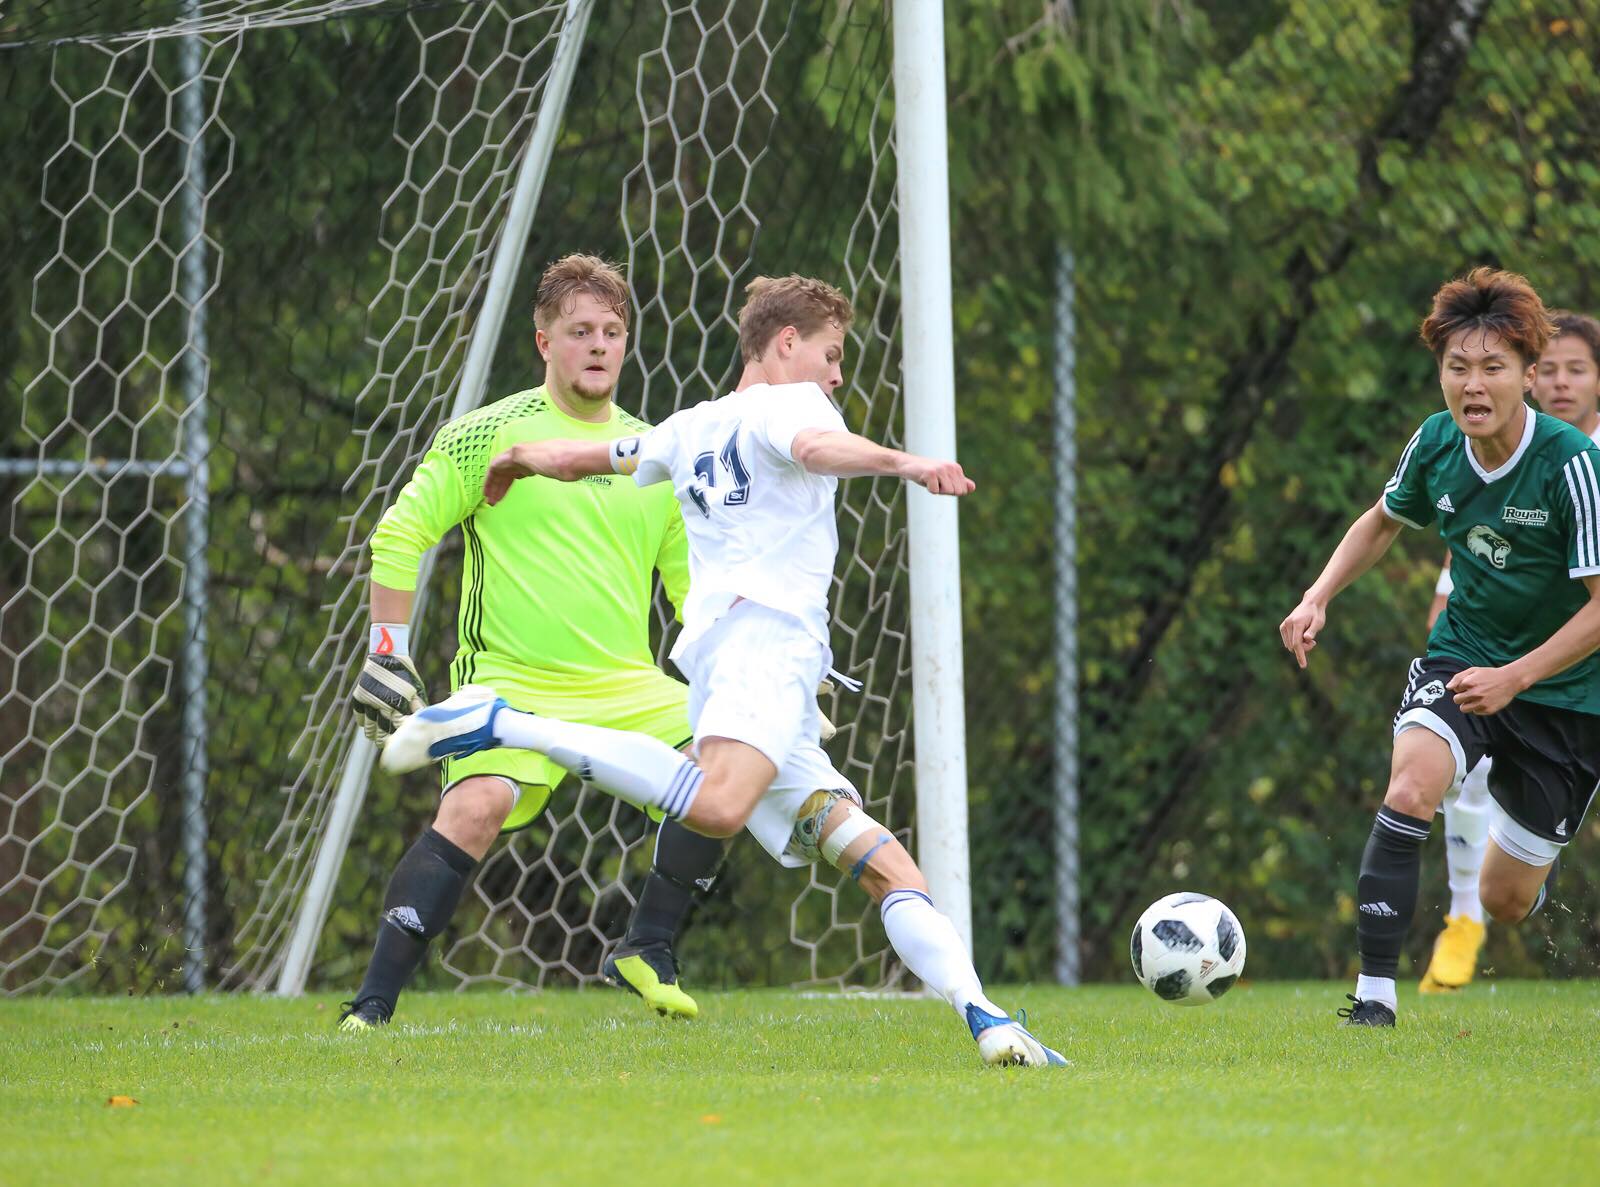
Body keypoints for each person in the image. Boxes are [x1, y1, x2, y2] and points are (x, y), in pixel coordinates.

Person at [383, 274, 1066, 1067]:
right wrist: (905, 462)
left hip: (730, 659)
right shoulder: (795, 404)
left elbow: (590, 456)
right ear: (785, 344)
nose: (837, 375)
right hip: (764, 648)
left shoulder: (690, 425)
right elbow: (817, 447)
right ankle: (503, 724)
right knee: (715, 803)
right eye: (831, 353)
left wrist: (522, 457)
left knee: (881, 861)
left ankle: (987, 1018)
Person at [341, 254, 722, 1028]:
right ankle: (369, 1009)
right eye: (579, 330)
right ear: (543, 340)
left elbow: (698, 596)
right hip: (510, 678)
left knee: (723, 775)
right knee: (476, 806)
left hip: (626, 686)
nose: (598, 345)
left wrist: (761, 681)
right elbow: (399, 534)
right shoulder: (487, 432)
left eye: (613, 331)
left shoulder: (655, 454)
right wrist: (387, 649)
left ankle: (646, 946)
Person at [1280, 268, 1600, 1026]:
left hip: (1565, 694)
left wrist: (1517, 678)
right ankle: (1374, 998)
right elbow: (1383, 519)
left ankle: (1525, 862)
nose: (1473, 384)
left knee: (1504, 901)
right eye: (1458, 367)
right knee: (1410, 787)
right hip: (1464, 657)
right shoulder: (1434, 443)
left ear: (1528, 373)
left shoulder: (1573, 465)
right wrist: (1317, 594)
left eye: (1492, 367)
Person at [1417, 311, 1600, 993]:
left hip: (1584, 683)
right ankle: (1464, 917)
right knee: (1448, 756)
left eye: (1574, 369)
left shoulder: (1582, 464)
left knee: (1515, 887)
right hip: (1512, 660)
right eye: (1548, 368)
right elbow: (1474, 532)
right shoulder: (1487, 439)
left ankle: (1510, 881)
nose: (1558, 381)